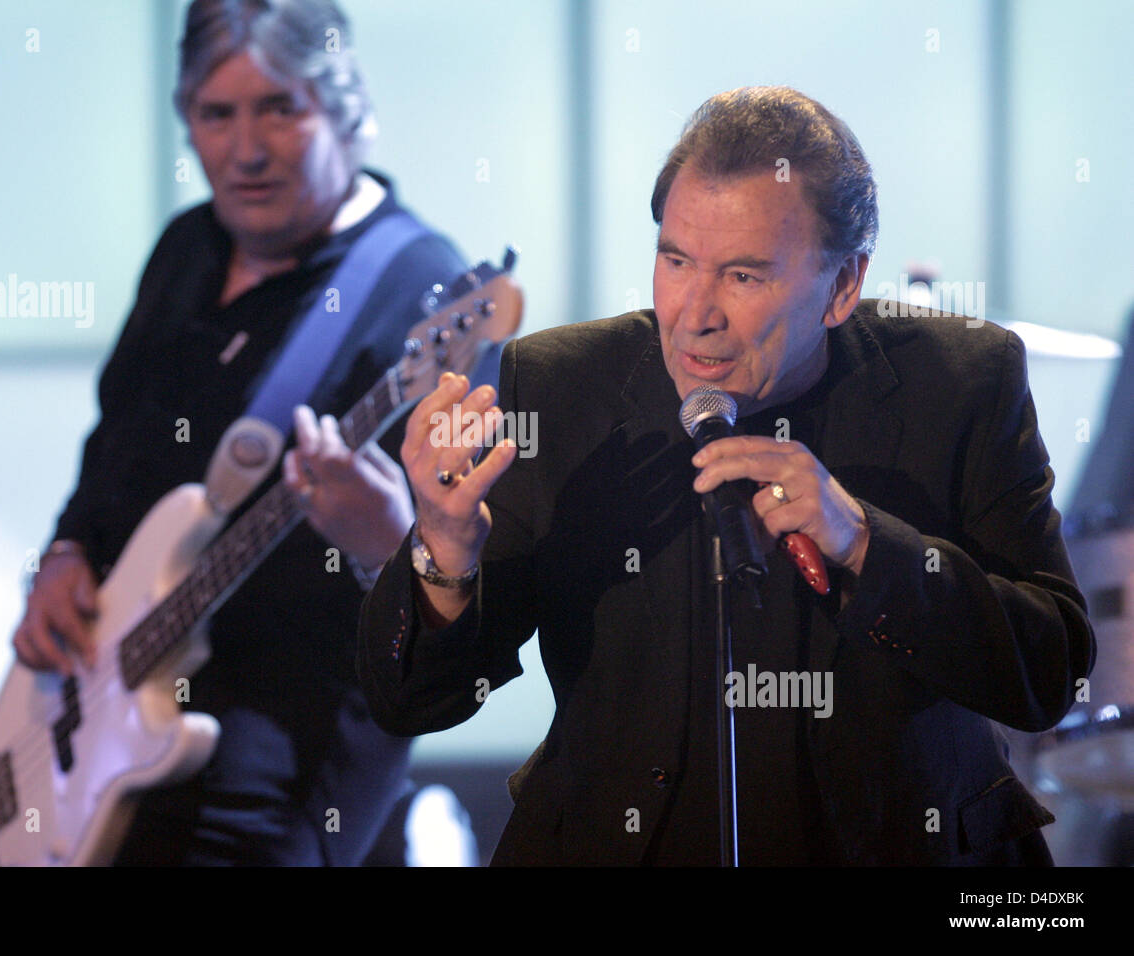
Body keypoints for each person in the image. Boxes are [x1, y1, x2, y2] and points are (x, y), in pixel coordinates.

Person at [357, 86, 1098, 865]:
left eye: (744, 277)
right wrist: (442, 553)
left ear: (844, 286)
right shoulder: (560, 387)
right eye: (675, 260)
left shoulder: (960, 383)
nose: (694, 312)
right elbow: (412, 702)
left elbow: (1048, 675)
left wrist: (864, 545)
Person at [11, 0, 467, 865]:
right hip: (103, 717)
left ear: (344, 110)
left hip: (284, 758)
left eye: (280, 109)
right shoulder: (188, 246)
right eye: (218, 114)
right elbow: (115, 447)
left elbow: (469, 597)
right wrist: (65, 551)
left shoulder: (428, 295)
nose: (246, 150)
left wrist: (387, 544)